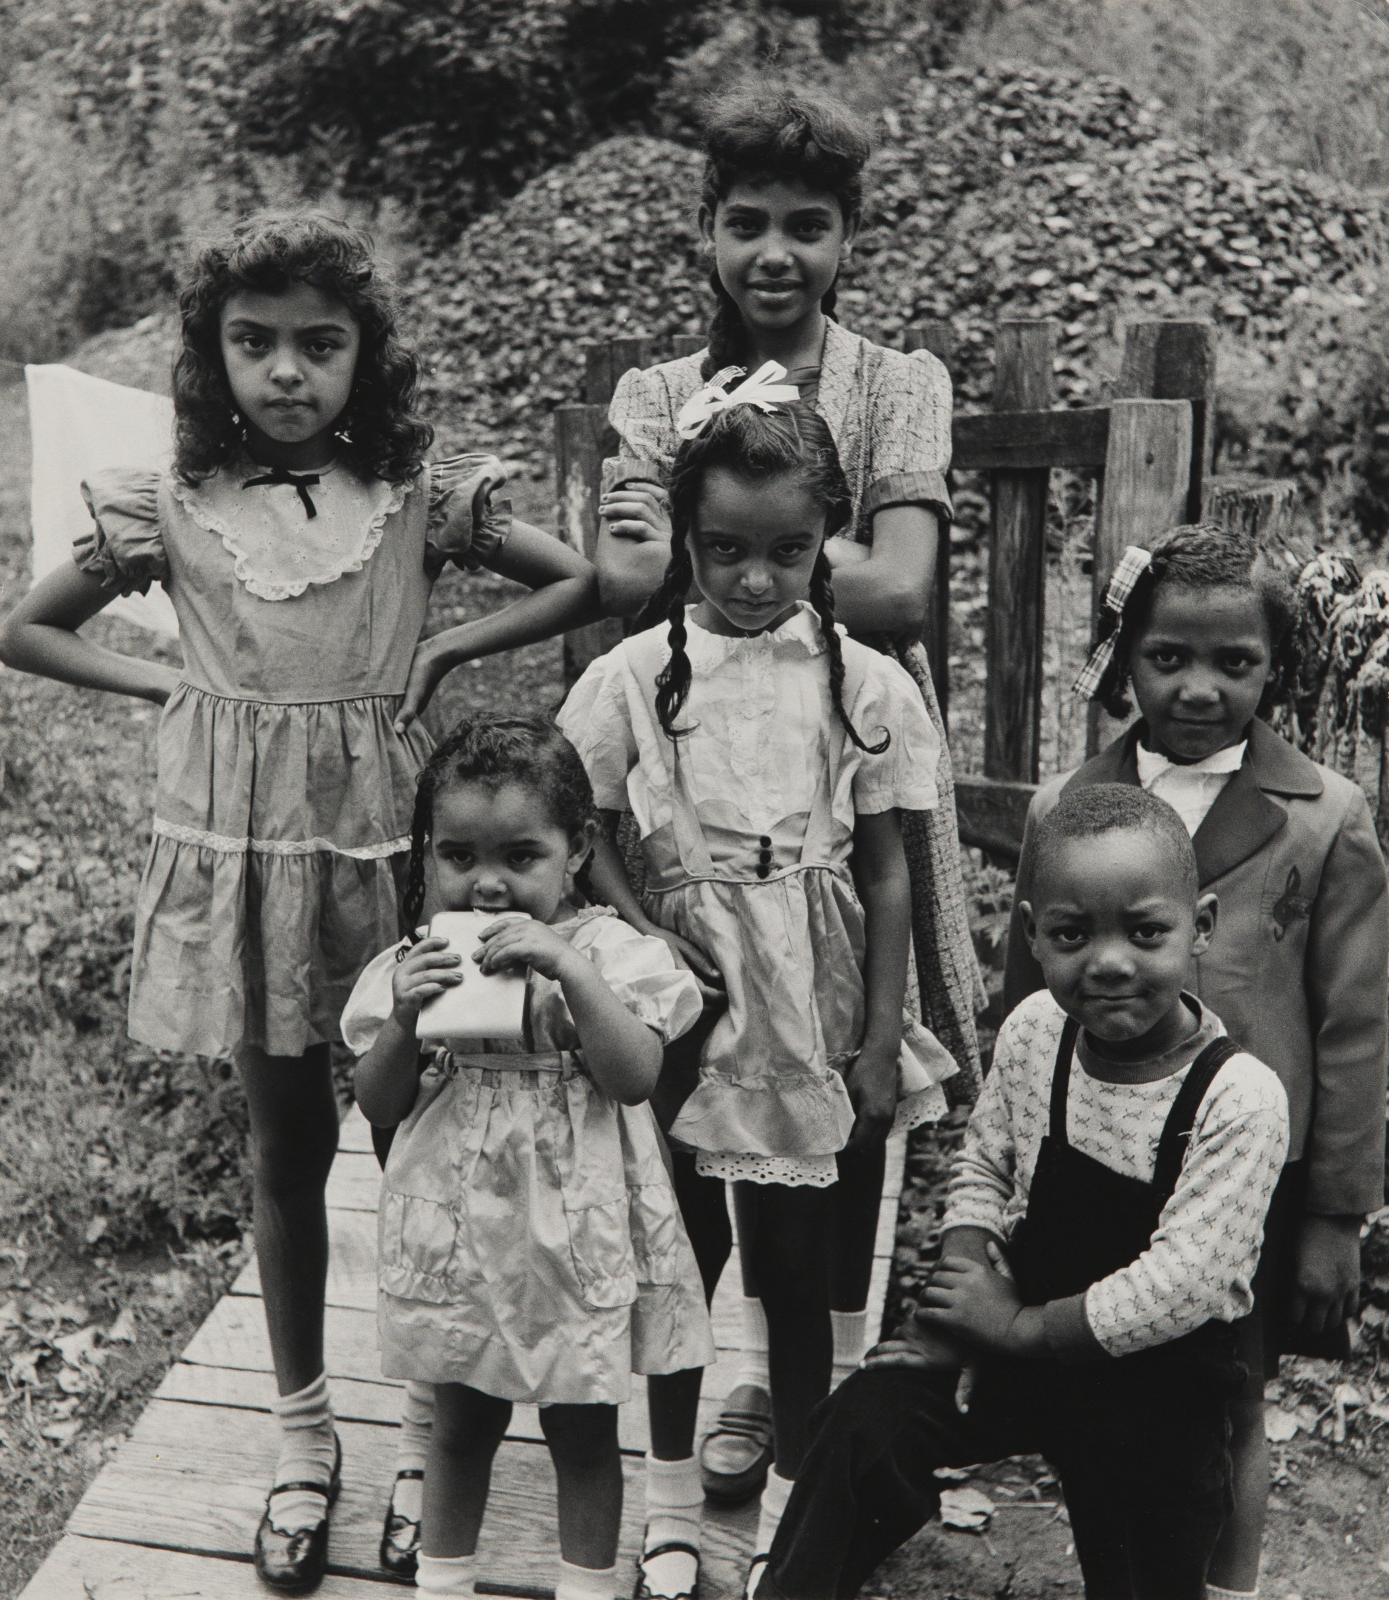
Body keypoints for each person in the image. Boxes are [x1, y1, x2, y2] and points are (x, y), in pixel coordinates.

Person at [0, 213, 597, 1594]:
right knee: (281, 1154)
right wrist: (178, 690)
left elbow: (573, 575)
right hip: (245, 861)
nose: (286, 373)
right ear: (212, 354)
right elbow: (26, 630)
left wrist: (442, 644)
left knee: (415, 1147)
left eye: (319, 345)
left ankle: (423, 1441)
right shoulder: (175, 501)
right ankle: (300, 1436)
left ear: (361, 355)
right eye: (253, 342)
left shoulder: (409, 494)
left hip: (382, 857)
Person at [588, 83, 982, 1582]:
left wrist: (744, 560)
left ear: (846, 239)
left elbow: (897, 591)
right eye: (744, 221)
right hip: (695, 802)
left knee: (842, 1102)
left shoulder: (896, 383)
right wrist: (790, 553)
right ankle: (727, 1402)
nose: (773, 251)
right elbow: (636, 577)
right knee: (701, 1106)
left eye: (805, 226)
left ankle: (815, 1410)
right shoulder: (650, 388)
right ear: (704, 227)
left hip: (844, 783)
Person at [559, 392, 958, 1598]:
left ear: (827, 539)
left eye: (786, 551)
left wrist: (881, 1039)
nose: (751, 577)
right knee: (678, 1264)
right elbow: (576, 829)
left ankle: (792, 1511)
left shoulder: (866, 682)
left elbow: (888, 875)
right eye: (724, 549)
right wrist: (644, 936)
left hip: (813, 1000)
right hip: (684, 1008)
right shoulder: (633, 676)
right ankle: (671, 1506)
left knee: (795, 1270)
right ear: (685, 538)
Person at [757, 783, 1290, 1600]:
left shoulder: (1237, 1098)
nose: (1108, 961)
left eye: (1146, 932)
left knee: (1147, 1570)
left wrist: (1010, 1328)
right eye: (1072, 933)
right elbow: (986, 1165)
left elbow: (1180, 1286)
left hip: (1155, 1389)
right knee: (867, 1420)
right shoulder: (1037, 1030)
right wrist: (957, 1315)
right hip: (1015, 1344)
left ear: (1201, 929)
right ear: (1033, 932)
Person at [1003, 524, 1389, 1599]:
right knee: (1111, 1388)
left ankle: (1227, 1588)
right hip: (1099, 1163)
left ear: (1277, 666)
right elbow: (1026, 1008)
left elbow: (1355, 1027)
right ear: (1125, 655)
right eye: (1167, 656)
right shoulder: (1061, 811)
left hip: (1251, 1176)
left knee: (1226, 1397)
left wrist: (1333, 1218)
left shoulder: (1326, 819)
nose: (1199, 686)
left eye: (1235, 661)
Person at [343, 715, 714, 1600]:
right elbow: (378, 1103)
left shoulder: (614, 956)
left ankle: (584, 1588)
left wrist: (572, 975)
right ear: (428, 858)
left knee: (582, 1431)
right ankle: (443, 1584)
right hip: (464, 1237)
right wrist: (403, 1018)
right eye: (459, 857)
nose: (488, 886)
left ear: (576, 848)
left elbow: (635, 1078)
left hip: (574, 1238)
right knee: (460, 1425)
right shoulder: (420, 961)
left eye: (520, 855)